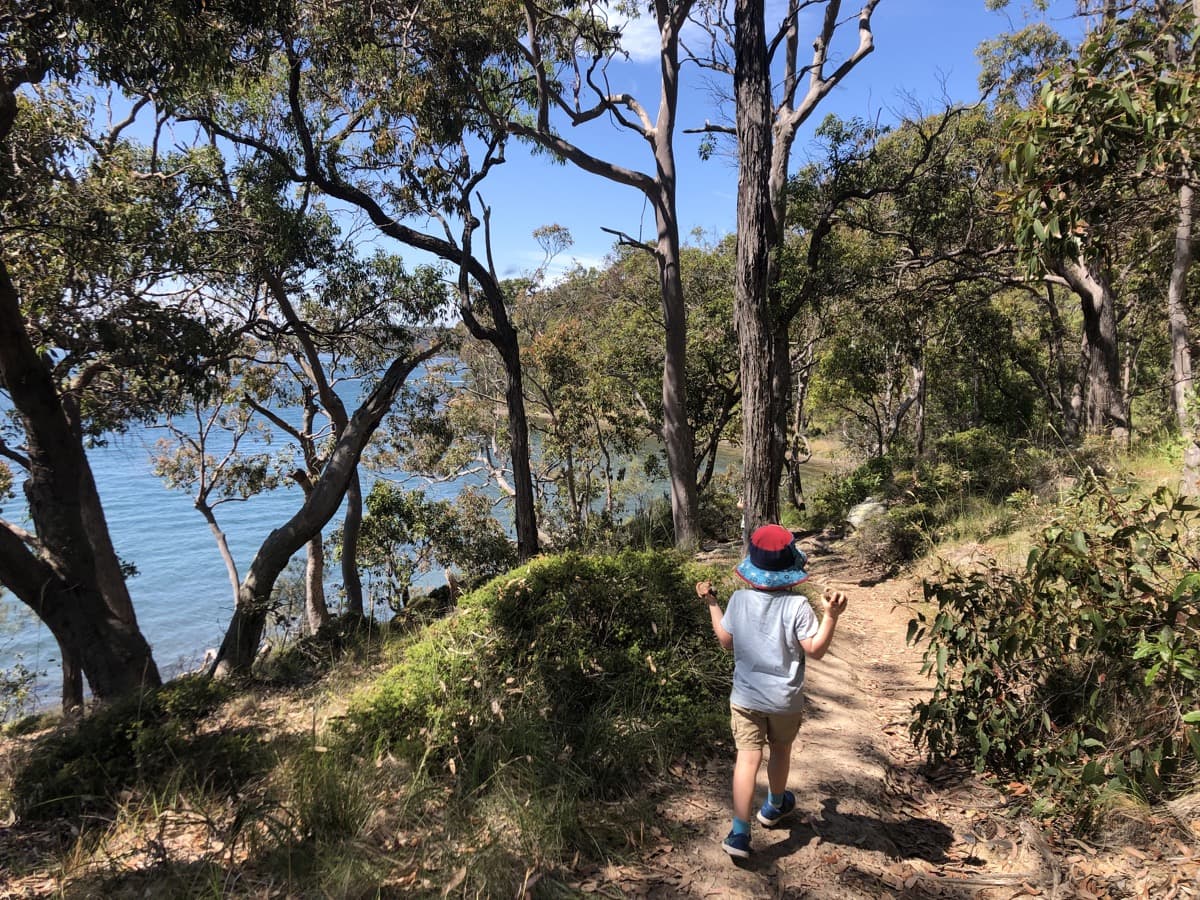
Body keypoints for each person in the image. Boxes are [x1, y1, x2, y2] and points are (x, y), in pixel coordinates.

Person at [696, 523, 848, 859]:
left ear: (752, 568)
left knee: (746, 760)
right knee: (780, 751)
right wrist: (831, 616)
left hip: (746, 699)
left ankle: (739, 834)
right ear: (789, 570)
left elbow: (725, 641)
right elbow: (816, 650)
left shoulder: (738, 600)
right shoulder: (797, 607)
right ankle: (773, 807)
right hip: (784, 700)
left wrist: (711, 603)